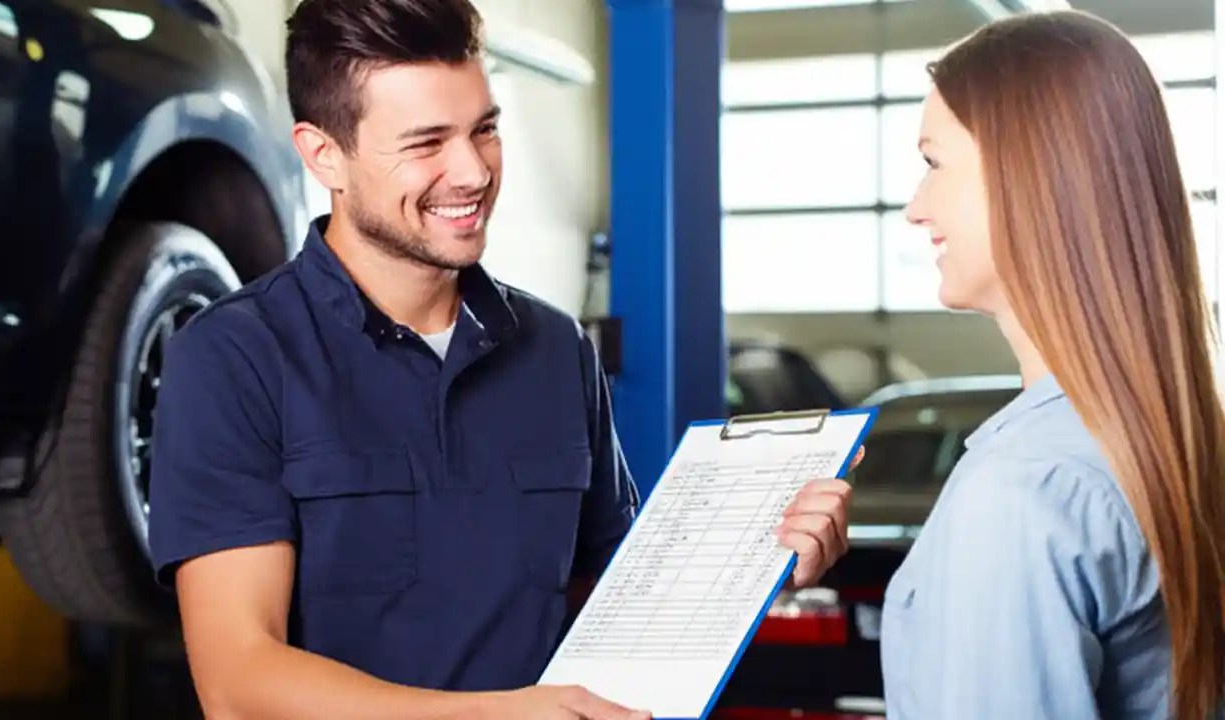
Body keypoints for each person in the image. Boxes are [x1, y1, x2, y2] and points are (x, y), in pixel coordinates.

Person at [146, 1, 858, 718]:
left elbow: (622, 610)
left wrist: (762, 558)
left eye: (483, 129)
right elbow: (238, 680)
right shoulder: (236, 357)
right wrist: (497, 714)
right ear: (323, 153)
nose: (472, 171)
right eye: (427, 143)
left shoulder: (556, 351)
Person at [885, 9, 1225, 720]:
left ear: (1030, 175)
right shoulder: (1173, 441)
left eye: (934, 163)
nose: (916, 207)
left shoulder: (1021, 490)